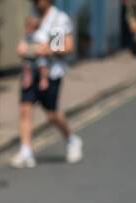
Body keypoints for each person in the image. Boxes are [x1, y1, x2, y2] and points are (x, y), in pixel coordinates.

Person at [11, 0, 84, 168]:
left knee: (51, 114)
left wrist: (47, 49)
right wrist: (23, 49)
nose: (36, 2)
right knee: (25, 109)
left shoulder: (57, 19)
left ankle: (72, 140)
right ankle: (26, 152)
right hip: (30, 71)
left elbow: (66, 46)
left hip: (50, 73)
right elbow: (26, 40)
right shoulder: (32, 17)